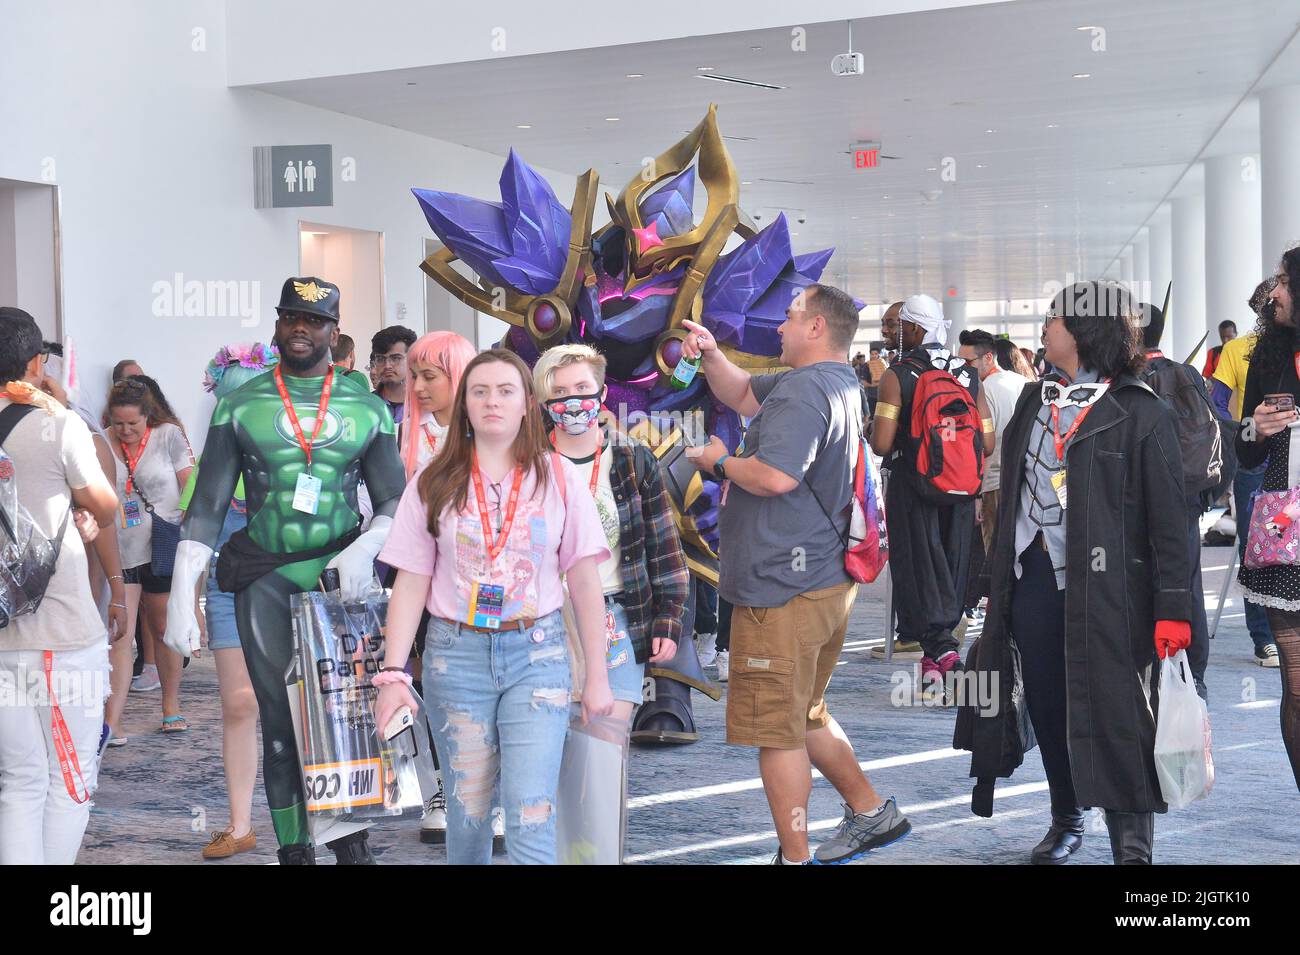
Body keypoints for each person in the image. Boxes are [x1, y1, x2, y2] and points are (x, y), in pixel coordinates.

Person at [163, 277, 407, 865]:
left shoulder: (367, 407)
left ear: (334, 330)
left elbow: (398, 501)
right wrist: (181, 595)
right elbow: (206, 507)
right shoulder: (240, 405)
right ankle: (293, 852)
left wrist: (367, 544)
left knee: (344, 714)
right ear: (277, 326)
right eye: (290, 317)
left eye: (313, 320)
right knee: (278, 719)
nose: (301, 328)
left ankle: (351, 844)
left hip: (339, 585)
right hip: (266, 578)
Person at [959, 281, 1194, 865]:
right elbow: (1011, 490)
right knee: (1046, 701)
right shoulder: (1037, 401)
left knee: (1118, 711)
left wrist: (1173, 607)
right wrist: (992, 577)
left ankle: (1131, 845)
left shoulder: (1137, 410)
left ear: (1087, 330)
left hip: (1113, 591)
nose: (1044, 326)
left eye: (1055, 318)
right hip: (1033, 578)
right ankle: (1066, 817)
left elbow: (1171, 521)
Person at [681, 283, 912, 865]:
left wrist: (718, 463)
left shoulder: (806, 391)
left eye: (789, 317)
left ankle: (794, 856)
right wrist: (711, 353)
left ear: (815, 328)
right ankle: (869, 811)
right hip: (820, 583)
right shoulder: (824, 382)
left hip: (781, 590)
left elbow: (776, 476)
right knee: (804, 711)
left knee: (777, 732)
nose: (778, 327)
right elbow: (739, 393)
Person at [374, 349, 614, 865]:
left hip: (538, 654)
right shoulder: (434, 481)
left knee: (531, 812)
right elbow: (411, 581)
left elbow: (585, 582)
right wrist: (394, 672)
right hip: (453, 657)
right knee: (469, 817)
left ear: (528, 403)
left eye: (505, 391)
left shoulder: (559, 479)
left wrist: (596, 672)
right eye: (479, 391)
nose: (491, 402)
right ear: (464, 404)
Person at [0, 307, 121, 864]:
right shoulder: (56, 423)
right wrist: (60, 407)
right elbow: (105, 504)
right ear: (35, 362)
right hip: (59, 632)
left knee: (20, 782)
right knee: (70, 783)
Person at [533, 343, 689, 728]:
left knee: (606, 741)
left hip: (617, 615)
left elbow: (664, 548)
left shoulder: (632, 461)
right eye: (559, 393)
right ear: (543, 402)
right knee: (554, 740)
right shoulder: (527, 465)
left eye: (582, 389)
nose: (573, 402)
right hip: (543, 618)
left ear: (602, 394)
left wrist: (668, 619)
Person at [186, 344, 279, 859]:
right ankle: (240, 822)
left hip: (288, 584)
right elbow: (196, 535)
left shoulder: (294, 458)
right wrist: (192, 605)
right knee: (239, 703)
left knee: (294, 707)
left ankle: (315, 818)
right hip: (226, 586)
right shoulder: (211, 463)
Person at [872, 296, 993, 681]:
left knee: (918, 564)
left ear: (915, 329)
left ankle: (941, 651)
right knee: (952, 563)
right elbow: (987, 442)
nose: (893, 332)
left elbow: (882, 444)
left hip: (913, 486)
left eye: (899, 325)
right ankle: (937, 655)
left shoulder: (898, 374)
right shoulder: (967, 373)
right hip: (959, 485)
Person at [1234, 246, 1300, 790]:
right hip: (1285, 530)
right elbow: (1246, 452)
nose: (1272, 292)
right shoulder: (1267, 354)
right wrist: (1255, 425)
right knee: (1298, 686)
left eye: (1282, 281)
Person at [105, 377, 193, 733]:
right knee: (120, 635)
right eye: (118, 423)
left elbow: (190, 481)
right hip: (120, 549)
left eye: (133, 424)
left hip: (161, 544)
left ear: (148, 416)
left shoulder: (168, 435)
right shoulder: (101, 441)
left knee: (163, 627)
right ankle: (113, 720)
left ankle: (170, 704)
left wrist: (186, 517)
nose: (125, 431)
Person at [1140, 301, 1216, 697]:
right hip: (1187, 495)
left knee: (1145, 582)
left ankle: (1153, 670)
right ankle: (1193, 676)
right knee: (1187, 581)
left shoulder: (1130, 379)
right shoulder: (1186, 373)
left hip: (1143, 502)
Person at [1213, 280, 1280, 667]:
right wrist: (1243, 432)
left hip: (1294, 456)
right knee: (1256, 546)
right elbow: (1218, 402)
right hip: (1254, 462)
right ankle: (1263, 636)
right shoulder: (1237, 350)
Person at [959, 330, 1026, 556]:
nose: (963, 367)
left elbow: (981, 445)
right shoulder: (1022, 382)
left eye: (968, 362)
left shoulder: (982, 390)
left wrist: (977, 494)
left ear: (988, 357)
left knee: (995, 554)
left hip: (993, 484)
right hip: (1024, 480)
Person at [400, 331, 477, 480]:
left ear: (459, 375)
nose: (417, 387)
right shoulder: (404, 430)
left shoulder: (485, 430)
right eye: (414, 377)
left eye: (429, 377)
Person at [370, 325, 418, 424]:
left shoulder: (423, 404)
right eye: (380, 359)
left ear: (411, 359)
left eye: (395, 358)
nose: (387, 365)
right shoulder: (366, 405)